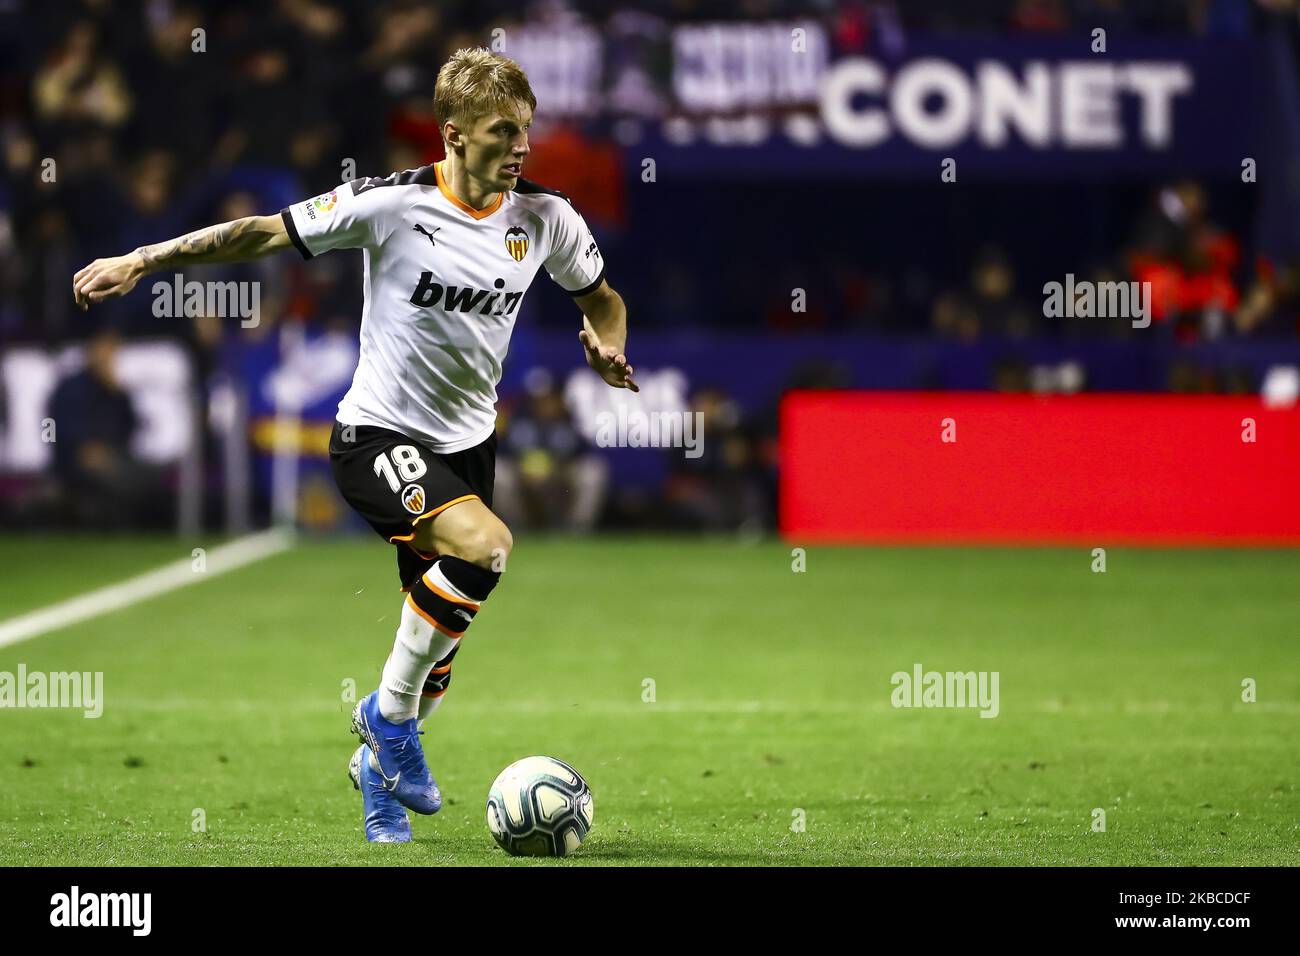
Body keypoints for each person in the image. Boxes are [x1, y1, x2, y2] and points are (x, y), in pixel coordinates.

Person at [71, 48, 638, 843]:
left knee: (439, 650)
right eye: (503, 131)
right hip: (376, 435)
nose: (521, 147)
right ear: (452, 134)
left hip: (467, 450)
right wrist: (145, 258)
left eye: (526, 131)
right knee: (487, 547)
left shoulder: (547, 219)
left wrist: (604, 344)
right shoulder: (389, 204)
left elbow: (603, 300)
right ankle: (385, 721)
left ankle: (378, 772)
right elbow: (258, 233)